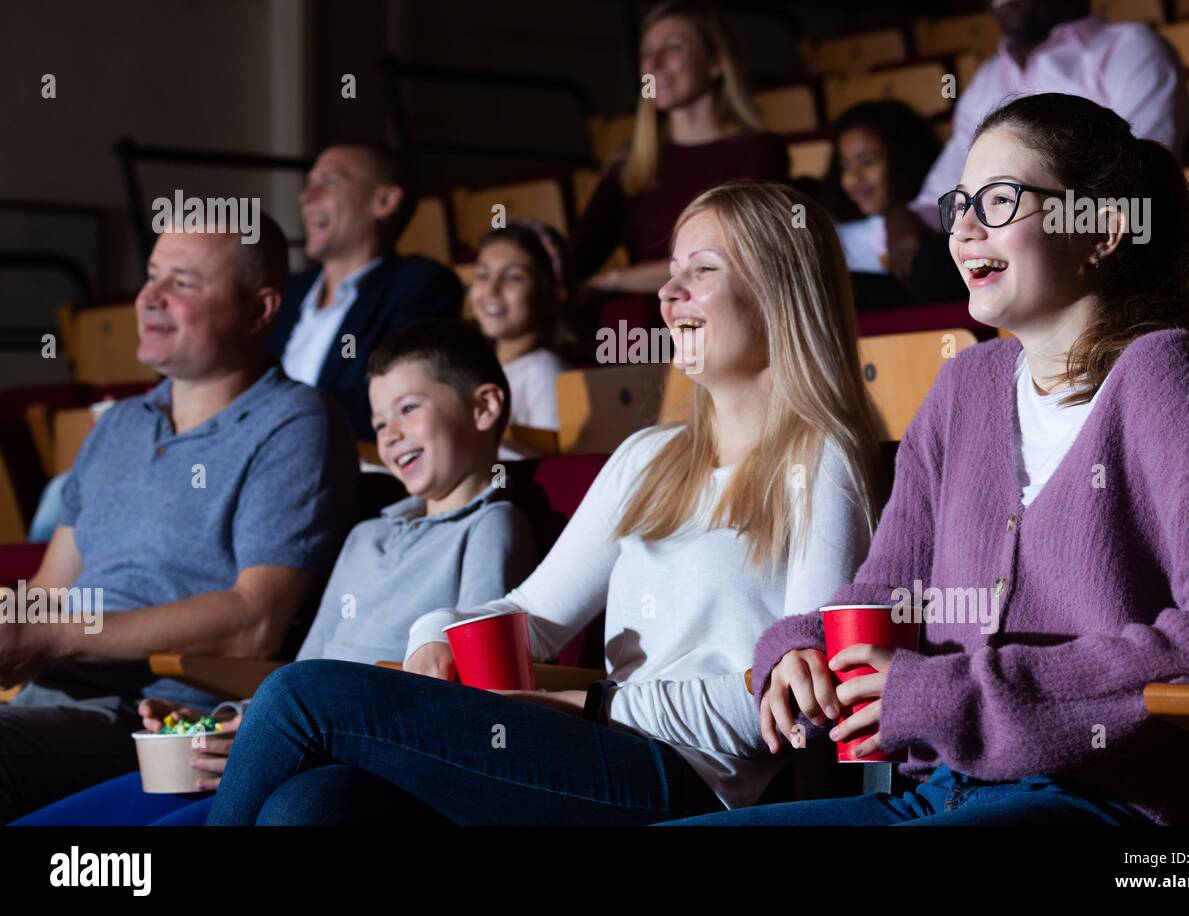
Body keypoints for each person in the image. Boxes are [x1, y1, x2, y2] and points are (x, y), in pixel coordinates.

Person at [667, 94, 1189, 827]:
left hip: (1094, 802)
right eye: (959, 204)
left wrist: (954, 693)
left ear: (1099, 230)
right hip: (935, 796)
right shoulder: (964, 386)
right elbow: (884, 592)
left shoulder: (1159, 377)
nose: (962, 230)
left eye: (998, 202)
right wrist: (800, 644)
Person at [205, 180, 884, 826]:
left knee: (301, 697)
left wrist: (584, 705)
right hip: (591, 748)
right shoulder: (649, 456)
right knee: (317, 803)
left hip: (694, 782)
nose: (669, 293)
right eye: (672, 271)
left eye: (701, 271)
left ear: (778, 292)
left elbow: (792, 699)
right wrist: (433, 634)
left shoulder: (824, 459)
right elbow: (531, 616)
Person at [10, 320, 536, 825]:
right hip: (294, 733)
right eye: (378, 423)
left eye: (409, 409)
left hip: (366, 749)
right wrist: (226, 719)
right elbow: (305, 666)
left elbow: (472, 694)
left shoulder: (494, 527)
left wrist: (286, 730)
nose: (391, 435)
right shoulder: (366, 536)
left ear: (485, 406)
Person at [0, 221, 359, 823]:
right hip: (46, 699)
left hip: (157, 717)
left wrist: (54, 635)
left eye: (182, 281)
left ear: (259, 309)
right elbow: (46, 595)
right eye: (150, 277)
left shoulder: (294, 422)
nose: (149, 297)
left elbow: (255, 621)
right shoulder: (117, 426)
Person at [889, 0, 1189, 303]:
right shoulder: (988, 77)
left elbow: (1138, 189)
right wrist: (904, 218)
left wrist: (1022, 218)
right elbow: (944, 194)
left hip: (1095, 256)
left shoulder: (1131, 49)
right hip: (998, 253)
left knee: (936, 271)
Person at [569, 1, 789, 291]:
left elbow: (737, 259)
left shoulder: (759, 150)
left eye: (673, 48)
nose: (655, 64)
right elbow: (572, 263)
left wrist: (616, 281)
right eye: (646, 53)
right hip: (644, 328)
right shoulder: (631, 166)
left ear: (715, 63)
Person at [271, 142, 464, 439]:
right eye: (309, 184)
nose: (306, 197)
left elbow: (383, 404)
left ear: (384, 201)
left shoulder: (419, 286)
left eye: (329, 182)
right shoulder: (290, 290)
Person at [820, 101, 942, 312]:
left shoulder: (937, 219)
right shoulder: (835, 236)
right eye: (846, 166)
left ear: (903, 159)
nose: (854, 178)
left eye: (867, 162)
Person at [468, 223, 571, 458]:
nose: (492, 290)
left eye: (513, 278)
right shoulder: (474, 370)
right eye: (483, 275)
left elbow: (553, 462)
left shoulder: (543, 370)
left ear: (550, 294)